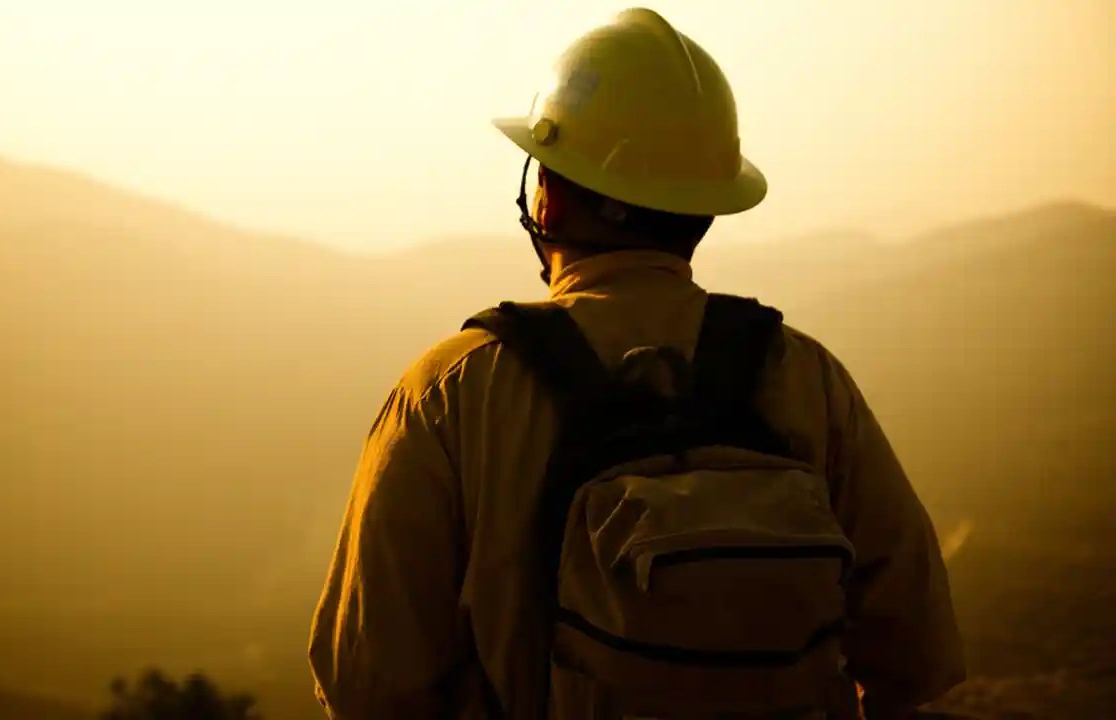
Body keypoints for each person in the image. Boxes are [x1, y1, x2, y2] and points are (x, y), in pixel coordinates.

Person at [309, 8, 964, 719]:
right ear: (707, 207)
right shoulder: (807, 379)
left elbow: (369, 683)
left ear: (548, 197)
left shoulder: (450, 393)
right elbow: (916, 654)